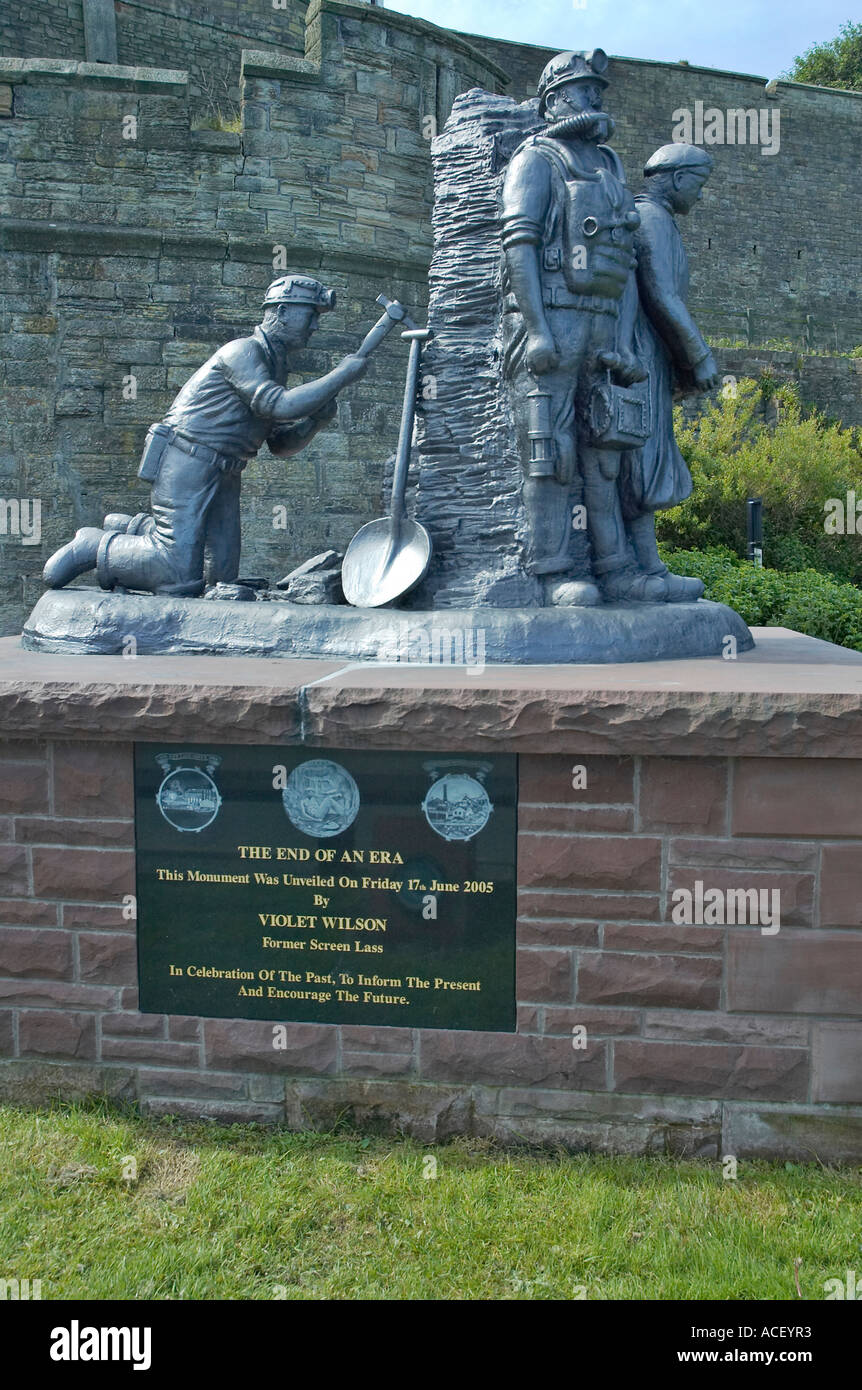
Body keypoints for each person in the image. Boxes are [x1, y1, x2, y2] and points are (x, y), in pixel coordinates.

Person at [43, 275, 367, 596]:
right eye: (310, 316)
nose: (315, 327)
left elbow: (280, 443)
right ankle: (95, 545)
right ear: (281, 311)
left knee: (223, 579)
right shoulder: (242, 352)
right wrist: (341, 375)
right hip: (187, 459)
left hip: (225, 470)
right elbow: (276, 404)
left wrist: (314, 422)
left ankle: (141, 529)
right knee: (176, 576)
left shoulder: (274, 365)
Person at [500, 48, 662, 605]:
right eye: (582, 89)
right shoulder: (537, 160)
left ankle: (616, 569)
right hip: (553, 322)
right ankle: (551, 572)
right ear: (553, 100)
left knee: (606, 458)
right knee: (550, 454)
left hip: (602, 328)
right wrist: (538, 329)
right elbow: (519, 248)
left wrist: (622, 342)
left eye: (598, 89)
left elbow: (622, 265)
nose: (594, 98)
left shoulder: (611, 165)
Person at [619, 144, 720, 601]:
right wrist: (698, 356)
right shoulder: (654, 220)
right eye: (698, 185)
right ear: (677, 178)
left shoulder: (657, 220)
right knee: (643, 456)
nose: (699, 197)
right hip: (640, 358)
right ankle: (644, 568)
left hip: (649, 356)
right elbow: (662, 295)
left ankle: (645, 565)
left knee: (645, 455)